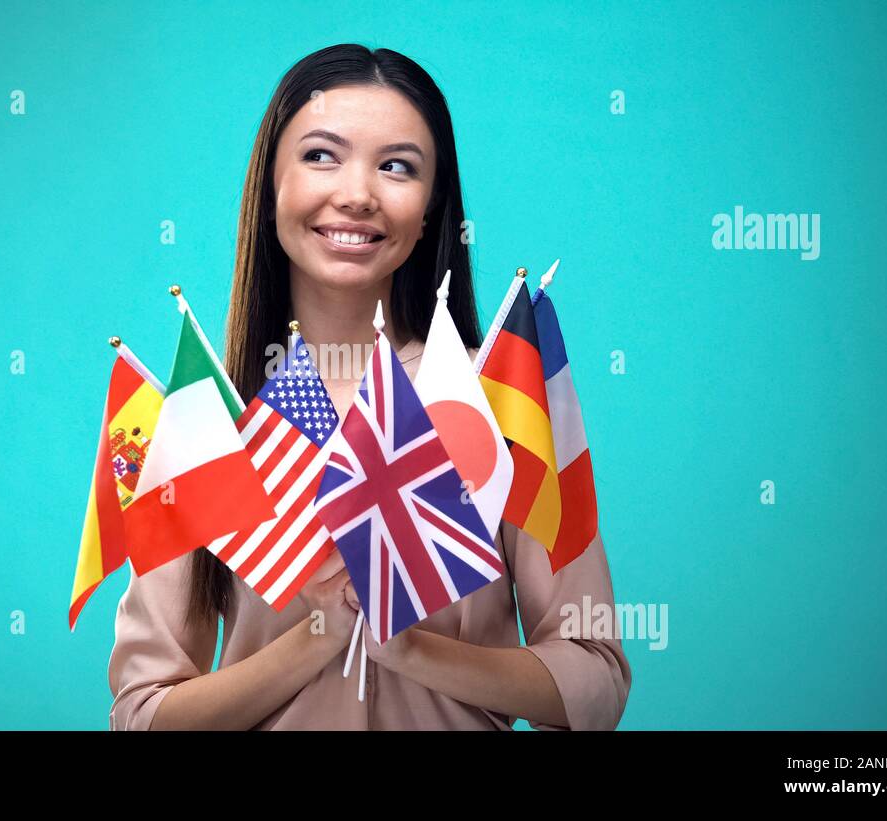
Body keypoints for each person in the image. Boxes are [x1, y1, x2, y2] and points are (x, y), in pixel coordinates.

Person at [108, 44, 630, 730]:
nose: (357, 193)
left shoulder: (498, 391)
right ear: (271, 189)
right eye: (321, 155)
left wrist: (413, 648)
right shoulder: (204, 419)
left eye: (396, 166)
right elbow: (142, 714)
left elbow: (595, 679)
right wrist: (317, 636)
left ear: (431, 205)